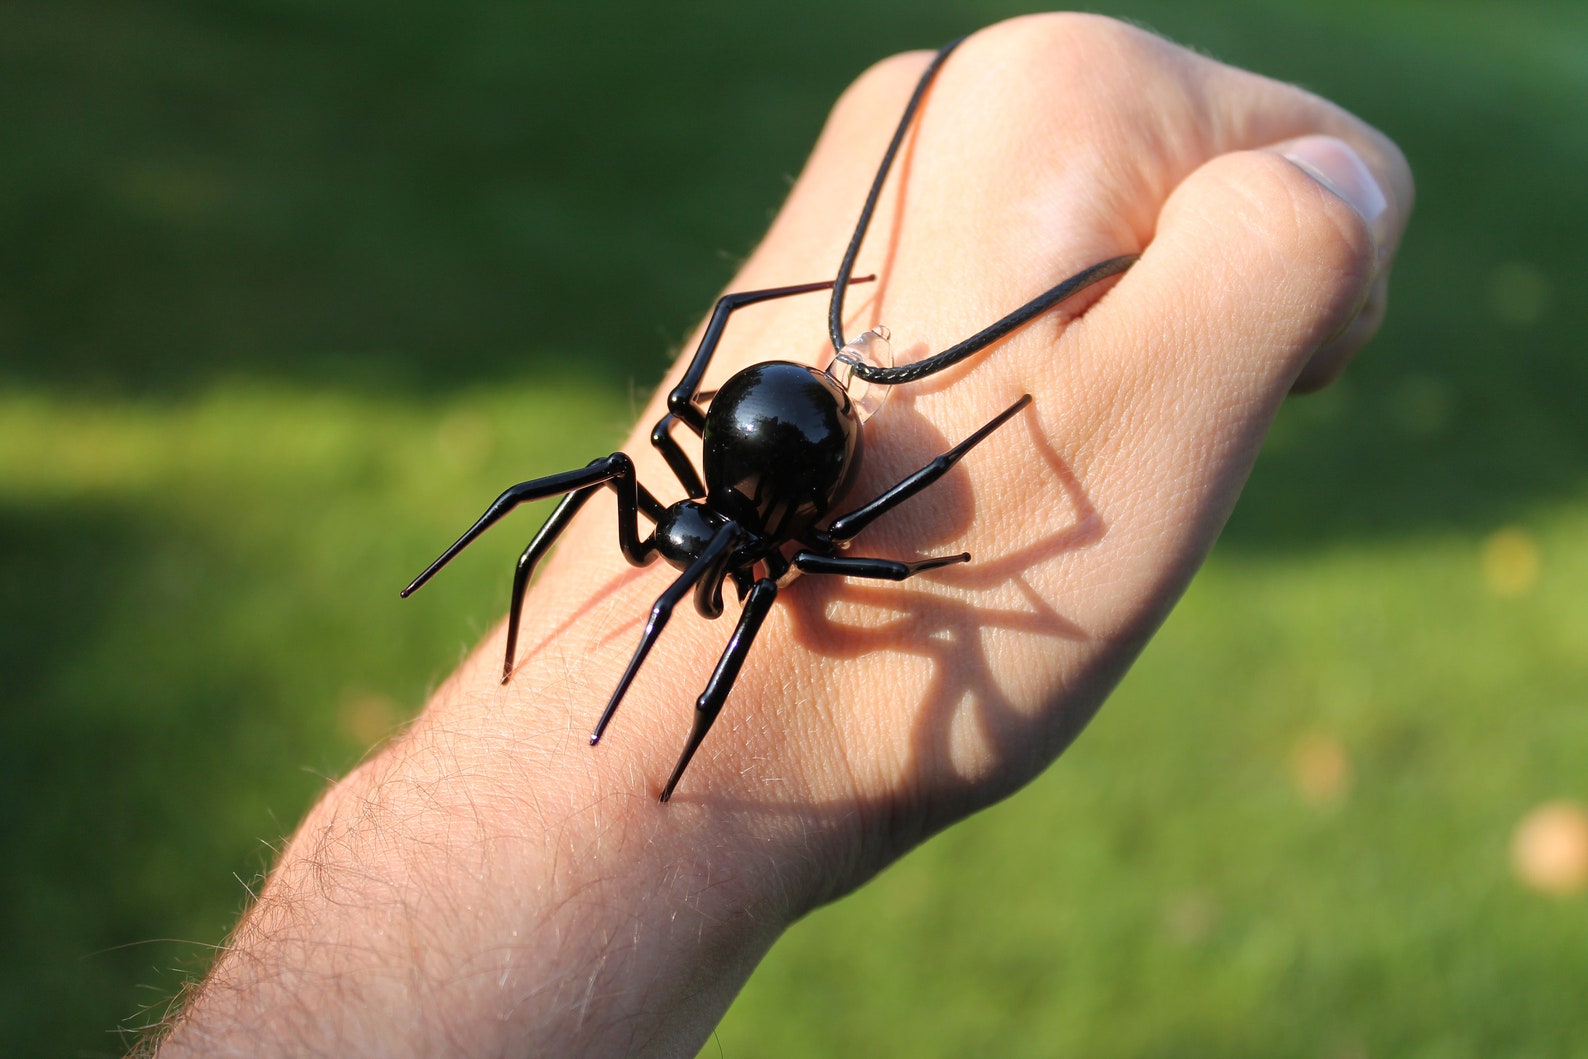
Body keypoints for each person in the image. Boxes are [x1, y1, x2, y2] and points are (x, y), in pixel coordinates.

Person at [153, 13, 1411, 1057]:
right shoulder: (692, 514)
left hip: (794, 448)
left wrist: (951, 485)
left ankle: (660, 747)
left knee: (729, 581)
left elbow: (859, 538)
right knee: (593, 494)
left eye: (691, 563)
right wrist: (586, 776)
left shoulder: (768, 551)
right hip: (765, 437)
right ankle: (640, 756)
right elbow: (599, 493)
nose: (688, 578)